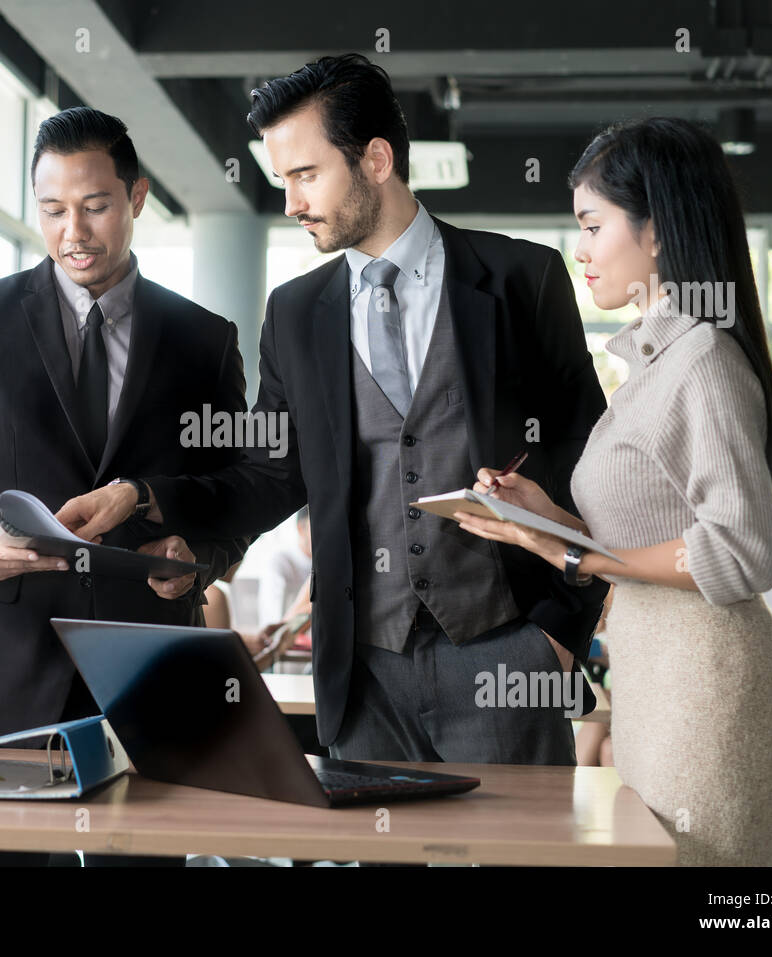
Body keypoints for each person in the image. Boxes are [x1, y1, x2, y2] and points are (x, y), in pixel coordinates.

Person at [58, 54, 609, 767]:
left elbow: (590, 459)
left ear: (376, 160)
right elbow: (270, 476)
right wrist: (142, 495)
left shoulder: (520, 280)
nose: (291, 202)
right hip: (363, 674)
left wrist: (559, 634)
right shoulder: (295, 312)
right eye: (282, 180)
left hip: (505, 656)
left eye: (305, 175)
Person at [0, 107, 248, 865]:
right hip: (5, 669)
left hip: (148, 670)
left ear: (137, 196)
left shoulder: (204, 340)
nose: (73, 232)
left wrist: (203, 555)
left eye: (96, 206)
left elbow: (237, 487)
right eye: (52, 210)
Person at [452, 117, 772, 865]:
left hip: (707, 694)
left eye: (592, 225)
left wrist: (576, 557)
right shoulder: (657, 364)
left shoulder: (703, 357)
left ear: (657, 230)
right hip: (657, 685)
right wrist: (549, 519)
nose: (579, 250)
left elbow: (742, 552)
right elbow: (656, 536)